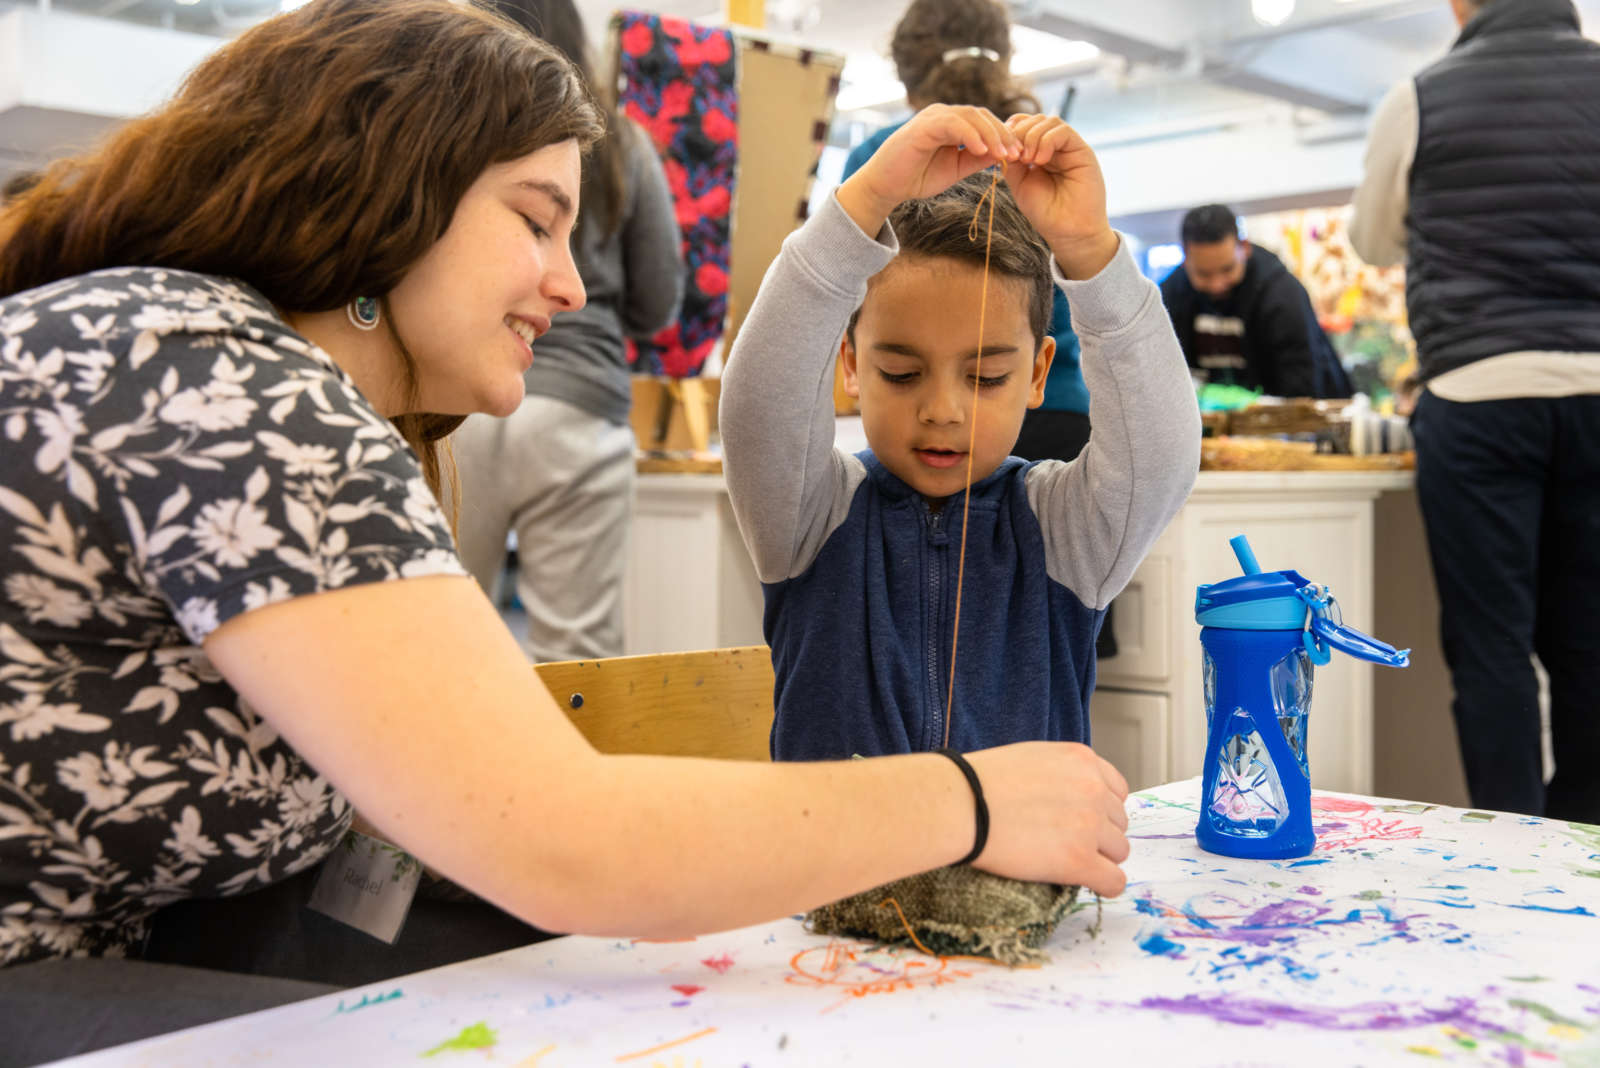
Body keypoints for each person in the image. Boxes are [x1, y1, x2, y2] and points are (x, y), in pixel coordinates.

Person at [0, 1, 1133, 1057]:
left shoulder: (270, 382)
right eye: (536, 221)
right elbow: (565, 837)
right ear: (391, 193)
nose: (568, 284)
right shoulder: (225, 385)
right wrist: (972, 799)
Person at [721, 104, 1199, 761]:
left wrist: (1090, 253)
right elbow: (758, 403)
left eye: (986, 378)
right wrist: (865, 200)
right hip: (845, 864)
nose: (943, 410)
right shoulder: (810, 514)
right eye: (902, 371)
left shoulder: (1066, 531)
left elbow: (1163, 454)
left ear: (1037, 375)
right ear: (853, 365)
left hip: (1021, 867)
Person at [1349, 0, 1600, 822]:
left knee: (1492, 649)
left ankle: (1514, 853)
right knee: (1591, 647)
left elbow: (1374, 240)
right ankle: (1585, 851)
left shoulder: (1420, 97)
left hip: (1478, 396)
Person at [452, 0, 682, 663]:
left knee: (445, 640)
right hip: (580, 406)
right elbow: (659, 299)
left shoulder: (457, 134)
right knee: (578, 662)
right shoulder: (623, 144)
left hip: (460, 407)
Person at [841, 0, 1092, 465]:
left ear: (908, 75)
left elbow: (837, 288)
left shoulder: (879, 157)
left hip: (929, 413)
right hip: (1055, 409)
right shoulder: (1047, 154)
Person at [1159, 204, 1353, 399]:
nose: (1216, 284)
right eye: (1203, 274)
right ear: (1185, 259)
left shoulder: (1282, 294)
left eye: (1227, 270)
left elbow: (1303, 386)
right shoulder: (1168, 300)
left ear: (1244, 248)